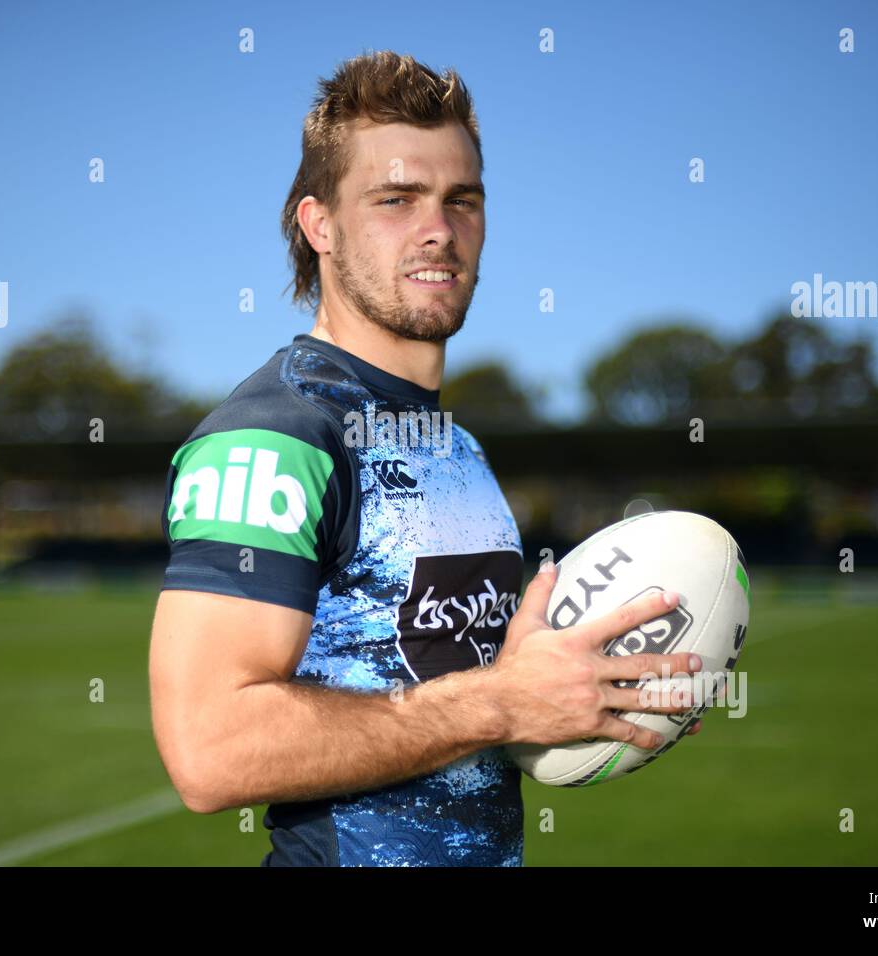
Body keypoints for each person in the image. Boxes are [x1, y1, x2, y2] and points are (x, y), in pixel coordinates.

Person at [149, 50, 701, 866]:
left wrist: (574, 687)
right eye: (396, 199)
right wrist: (500, 706)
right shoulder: (276, 435)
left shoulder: (455, 443)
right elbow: (209, 750)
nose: (438, 229)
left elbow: (473, 686)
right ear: (320, 225)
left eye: (461, 200)